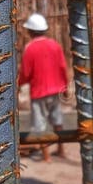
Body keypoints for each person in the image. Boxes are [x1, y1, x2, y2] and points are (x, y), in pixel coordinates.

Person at [18, 13, 69, 161]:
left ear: (30, 31)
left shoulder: (30, 48)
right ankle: (61, 150)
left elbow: (26, 73)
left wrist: (19, 84)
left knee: (40, 125)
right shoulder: (55, 45)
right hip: (56, 90)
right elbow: (62, 67)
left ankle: (46, 156)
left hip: (39, 91)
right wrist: (65, 88)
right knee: (57, 121)